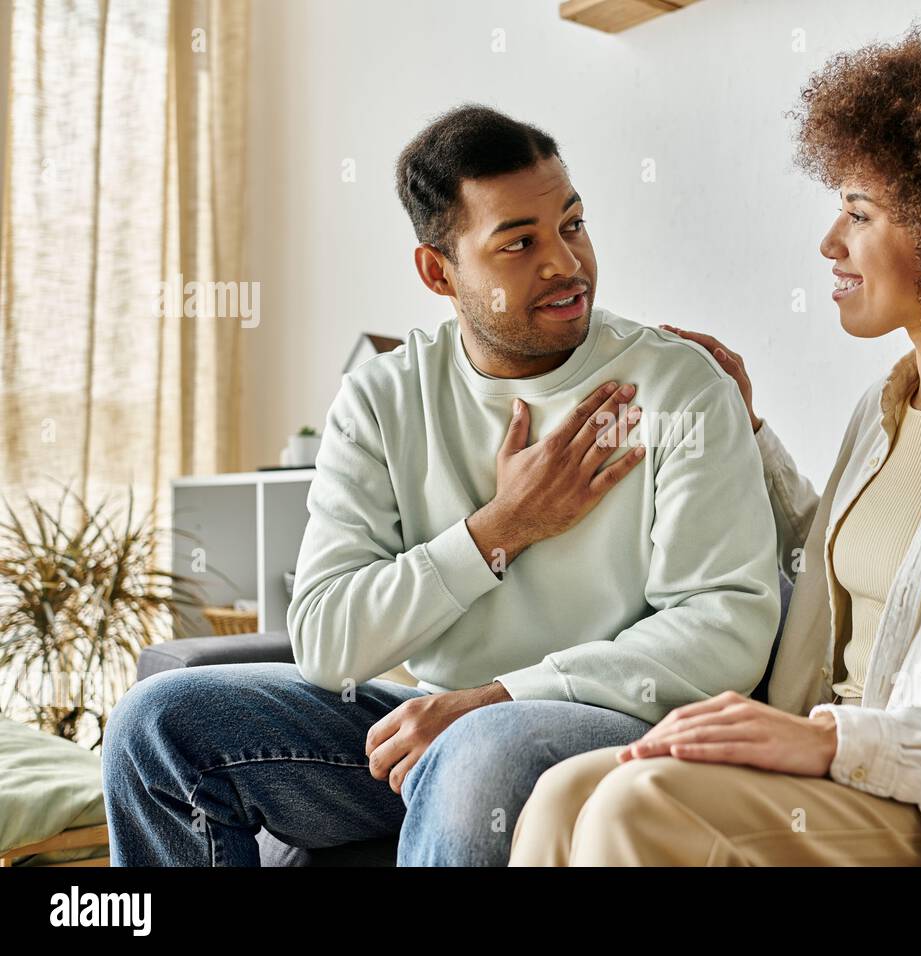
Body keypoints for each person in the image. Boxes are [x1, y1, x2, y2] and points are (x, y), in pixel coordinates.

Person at [509, 21, 921, 867]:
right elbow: (839, 573)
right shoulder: (884, 410)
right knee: (564, 789)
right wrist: (748, 433)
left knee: (641, 806)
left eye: (858, 213)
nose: (830, 242)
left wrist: (836, 739)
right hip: (849, 792)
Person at [102, 105, 781, 867]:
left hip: (609, 722)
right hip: (436, 723)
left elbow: (726, 625)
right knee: (157, 722)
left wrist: (497, 698)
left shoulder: (674, 385)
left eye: (574, 224)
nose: (565, 262)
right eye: (519, 242)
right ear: (438, 270)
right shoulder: (382, 399)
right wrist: (501, 529)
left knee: (481, 748)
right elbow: (328, 641)